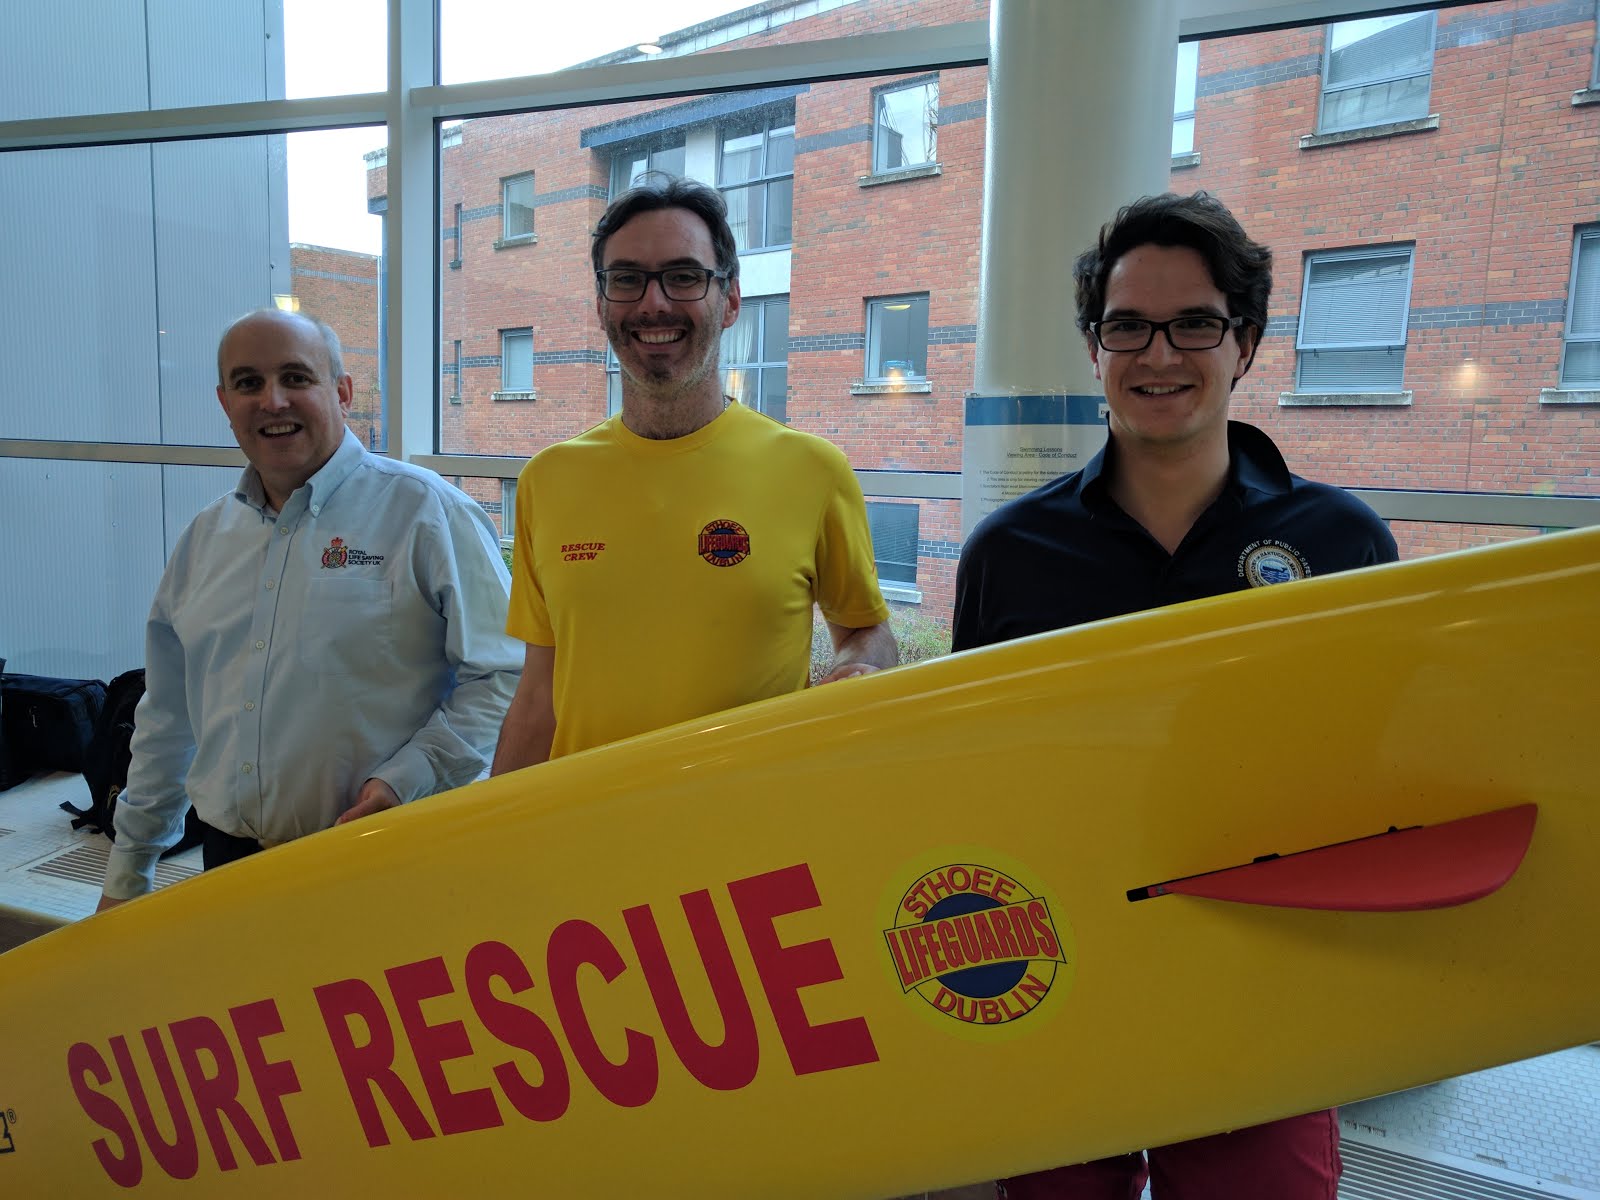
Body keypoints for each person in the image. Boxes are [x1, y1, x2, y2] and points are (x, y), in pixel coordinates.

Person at [954, 192, 1398, 1199]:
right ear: (1092, 347)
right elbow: (977, 788)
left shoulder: (1342, 546)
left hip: (1263, 988)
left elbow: (1375, 783)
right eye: (1126, 327)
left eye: (1194, 323)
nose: (1158, 355)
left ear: (1244, 343)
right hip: (1065, 982)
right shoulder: (1006, 556)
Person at [97, 308, 521, 910]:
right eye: (248, 383)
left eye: (296, 377)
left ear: (342, 391)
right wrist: (129, 871)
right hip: (228, 864)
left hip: (383, 858)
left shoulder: (427, 514)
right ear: (224, 402)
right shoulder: (203, 540)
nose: (272, 400)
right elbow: (169, 716)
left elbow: (505, 673)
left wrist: (410, 778)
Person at [492, 177, 896, 772]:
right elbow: (539, 696)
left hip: (755, 841)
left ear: (730, 299)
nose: (654, 303)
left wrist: (855, 670)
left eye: (683, 276)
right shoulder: (548, 480)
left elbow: (867, 633)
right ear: (602, 304)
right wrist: (494, 843)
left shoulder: (812, 471)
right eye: (627, 279)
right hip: (591, 839)